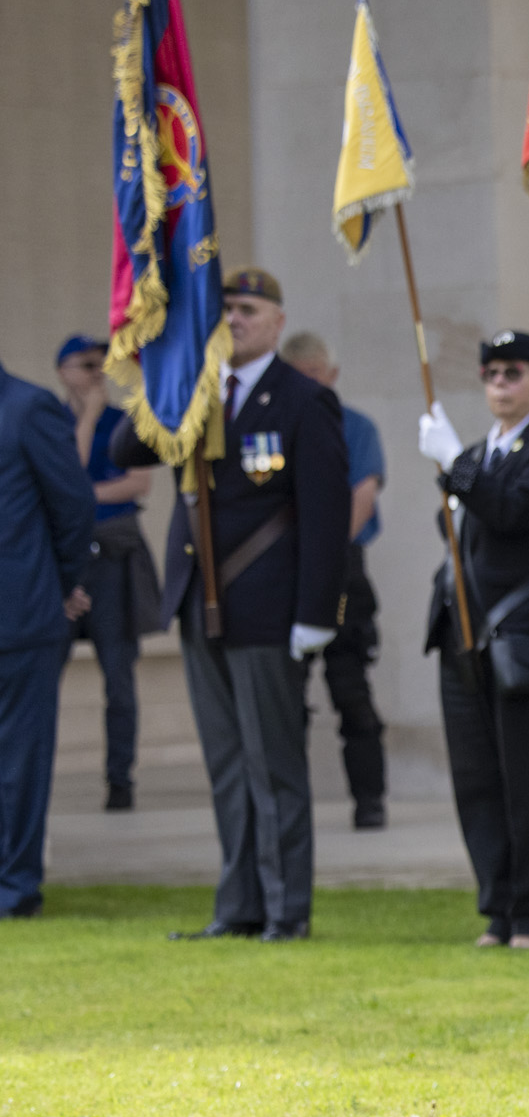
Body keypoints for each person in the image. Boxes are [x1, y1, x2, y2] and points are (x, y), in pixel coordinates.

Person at [115, 269, 350, 942]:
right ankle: (239, 904)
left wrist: (316, 611)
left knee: (272, 762)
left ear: (277, 322)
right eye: (224, 310)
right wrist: (173, 381)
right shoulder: (196, 395)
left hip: (268, 608)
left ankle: (285, 910)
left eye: (246, 309)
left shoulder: (302, 401)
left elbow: (325, 515)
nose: (234, 319)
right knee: (225, 763)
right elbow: (122, 449)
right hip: (198, 604)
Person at [417, 331, 529, 949]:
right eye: (491, 374)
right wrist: (461, 466)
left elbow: (515, 514)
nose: (499, 385)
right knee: (478, 779)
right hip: (464, 637)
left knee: (528, 782)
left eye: (514, 373)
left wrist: (455, 464)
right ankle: (497, 906)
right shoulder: (480, 453)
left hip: (523, 640)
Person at [280, 331, 388, 827]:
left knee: (350, 688)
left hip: (340, 573)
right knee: (286, 695)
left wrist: (324, 555)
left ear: (332, 376)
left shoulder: (355, 427)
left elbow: (361, 495)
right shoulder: (274, 425)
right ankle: (287, 799)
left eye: (314, 376)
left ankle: (369, 801)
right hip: (288, 571)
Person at [1, 352, 96, 919]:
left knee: (18, 763)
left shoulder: (26, 408)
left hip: (18, 619)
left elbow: (72, 505)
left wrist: (58, 582)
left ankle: (14, 888)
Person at [56, 334, 155, 814]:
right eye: (88, 364)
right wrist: (87, 419)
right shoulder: (49, 420)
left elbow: (138, 481)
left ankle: (121, 781)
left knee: (119, 677)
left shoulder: (125, 419)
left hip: (111, 558)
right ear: (64, 371)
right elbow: (63, 477)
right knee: (39, 675)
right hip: (63, 563)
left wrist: (82, 495)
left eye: (104, 364)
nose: (98, 373)